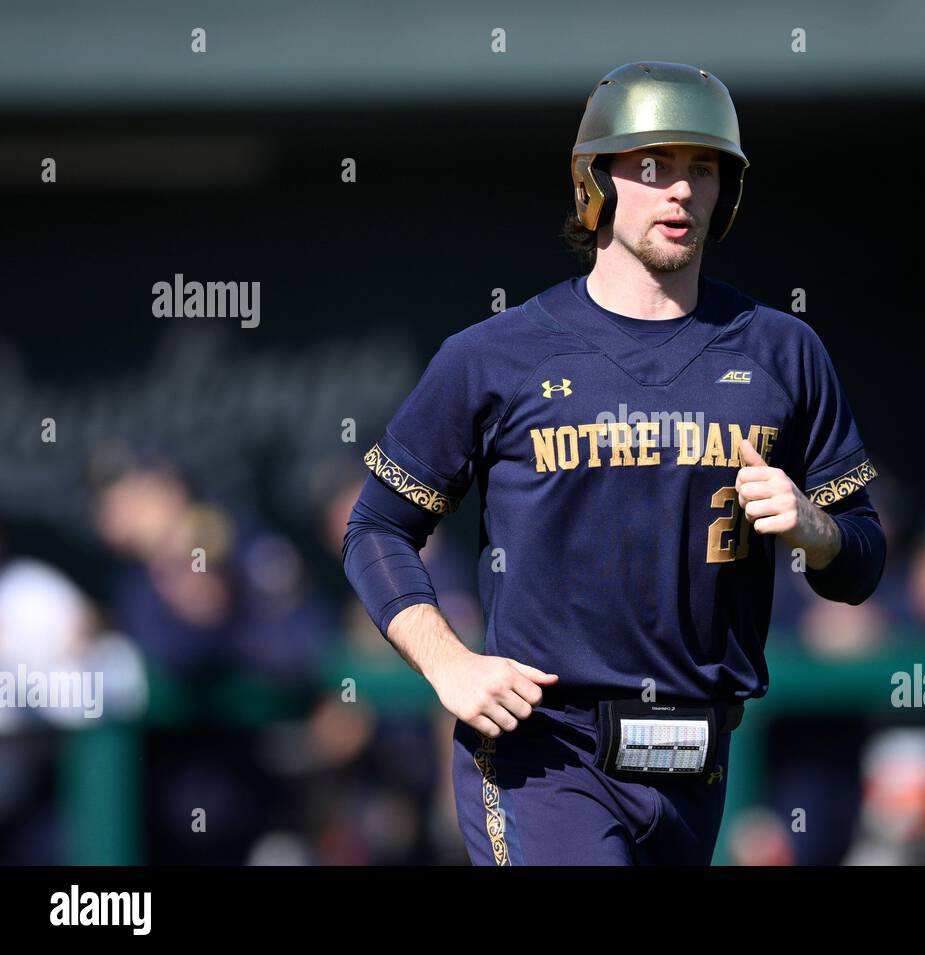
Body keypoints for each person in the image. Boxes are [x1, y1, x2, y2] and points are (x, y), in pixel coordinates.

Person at [343, 61, 887, 865]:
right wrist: (448, 662)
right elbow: (375, 528)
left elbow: (863, 559)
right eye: (653, 166)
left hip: (696, 755)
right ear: (594, 183)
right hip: (543, 750)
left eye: (703, 170)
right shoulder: (495, 354)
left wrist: (814, 528)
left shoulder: (782, 349)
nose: (681, 192)